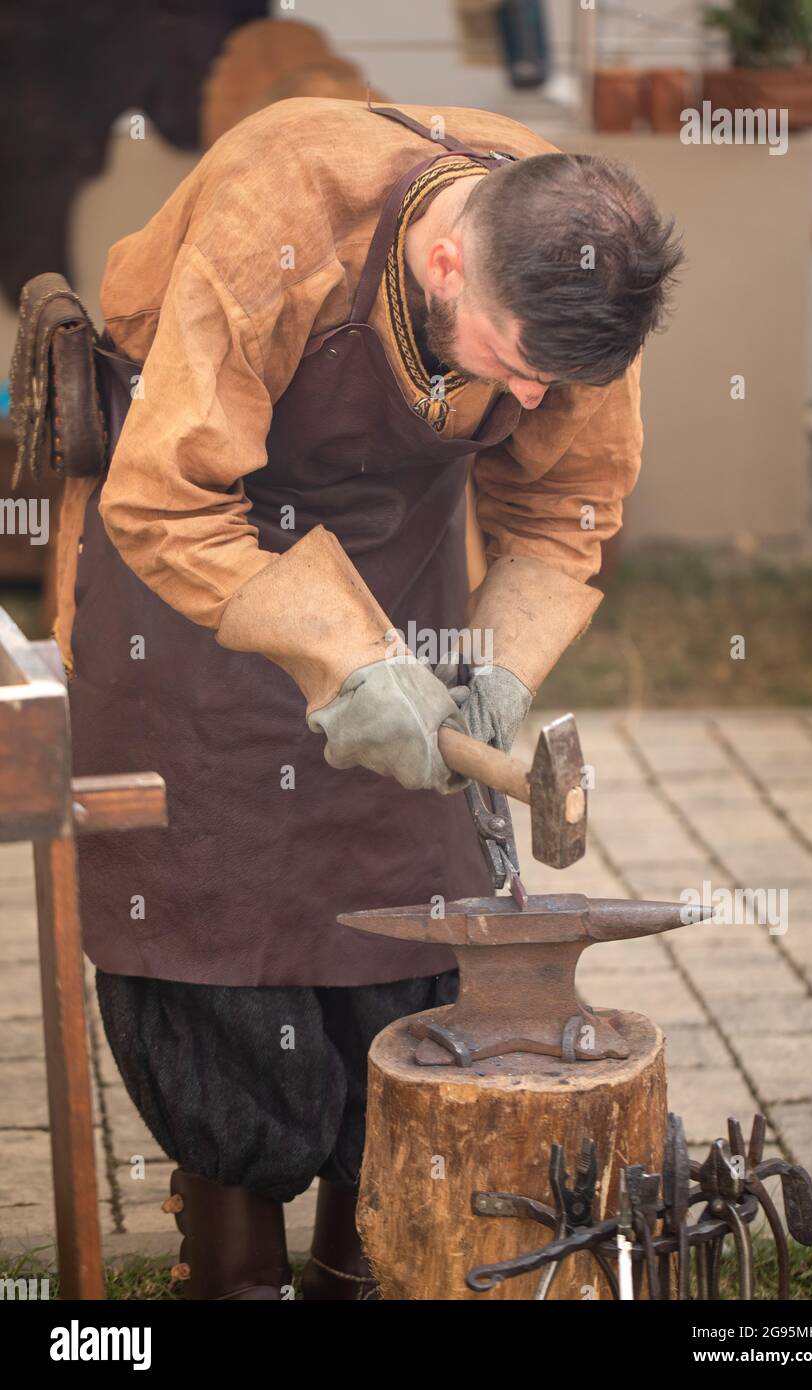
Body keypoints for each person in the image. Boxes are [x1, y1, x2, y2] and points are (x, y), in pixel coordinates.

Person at [55, 98, 682, 1299]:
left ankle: (366, 1257)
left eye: (557, 380)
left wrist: (493, 663)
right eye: (515, 367)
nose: (535, 403)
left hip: (393, 560)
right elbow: (166, 497)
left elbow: (567, 505)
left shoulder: (572, 280)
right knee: (213, 907)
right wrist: (340, 658)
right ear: (446, 261)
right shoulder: (276, 206)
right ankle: (232, 1268)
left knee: (405, 889)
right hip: (189, 553)